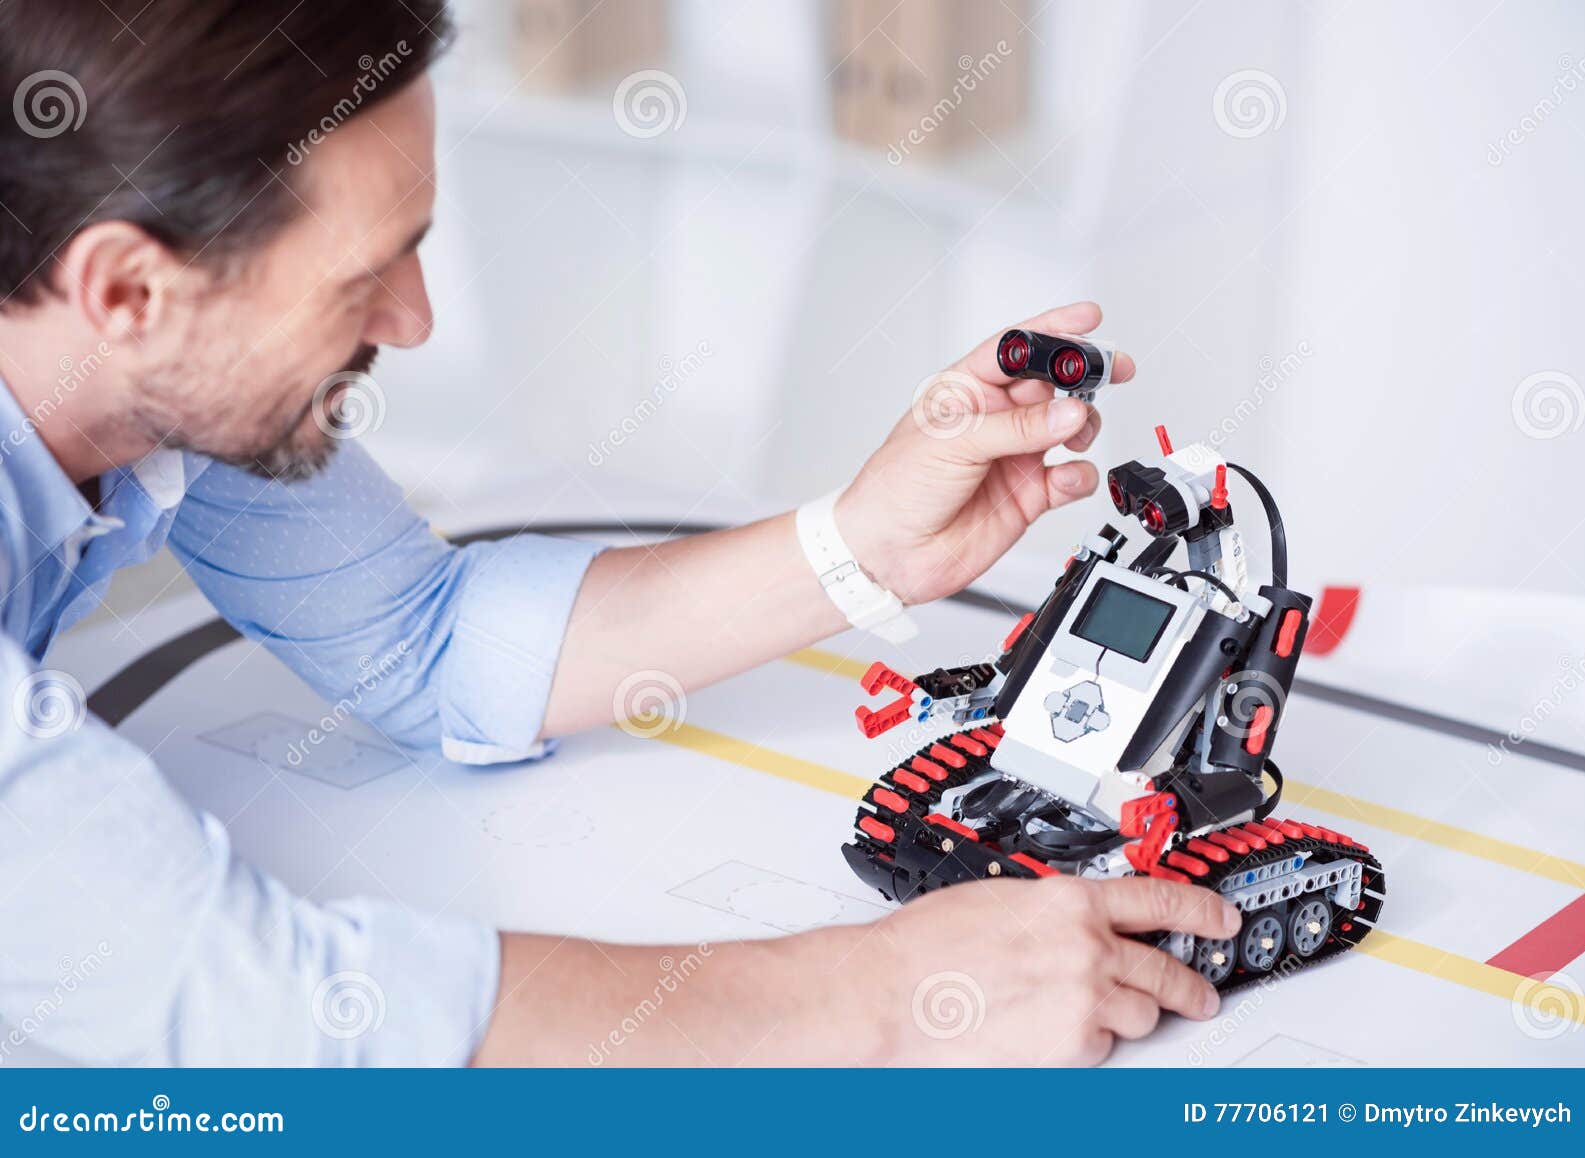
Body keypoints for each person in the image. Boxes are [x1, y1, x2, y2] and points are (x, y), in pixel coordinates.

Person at [0, 0, 1238, 1066]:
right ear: (125, 290)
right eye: (360, 277)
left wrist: (864, 546)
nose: (415, 322)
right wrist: (897, 1004)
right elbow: (285, 1018)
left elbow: (422, 640)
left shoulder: (162, 384)